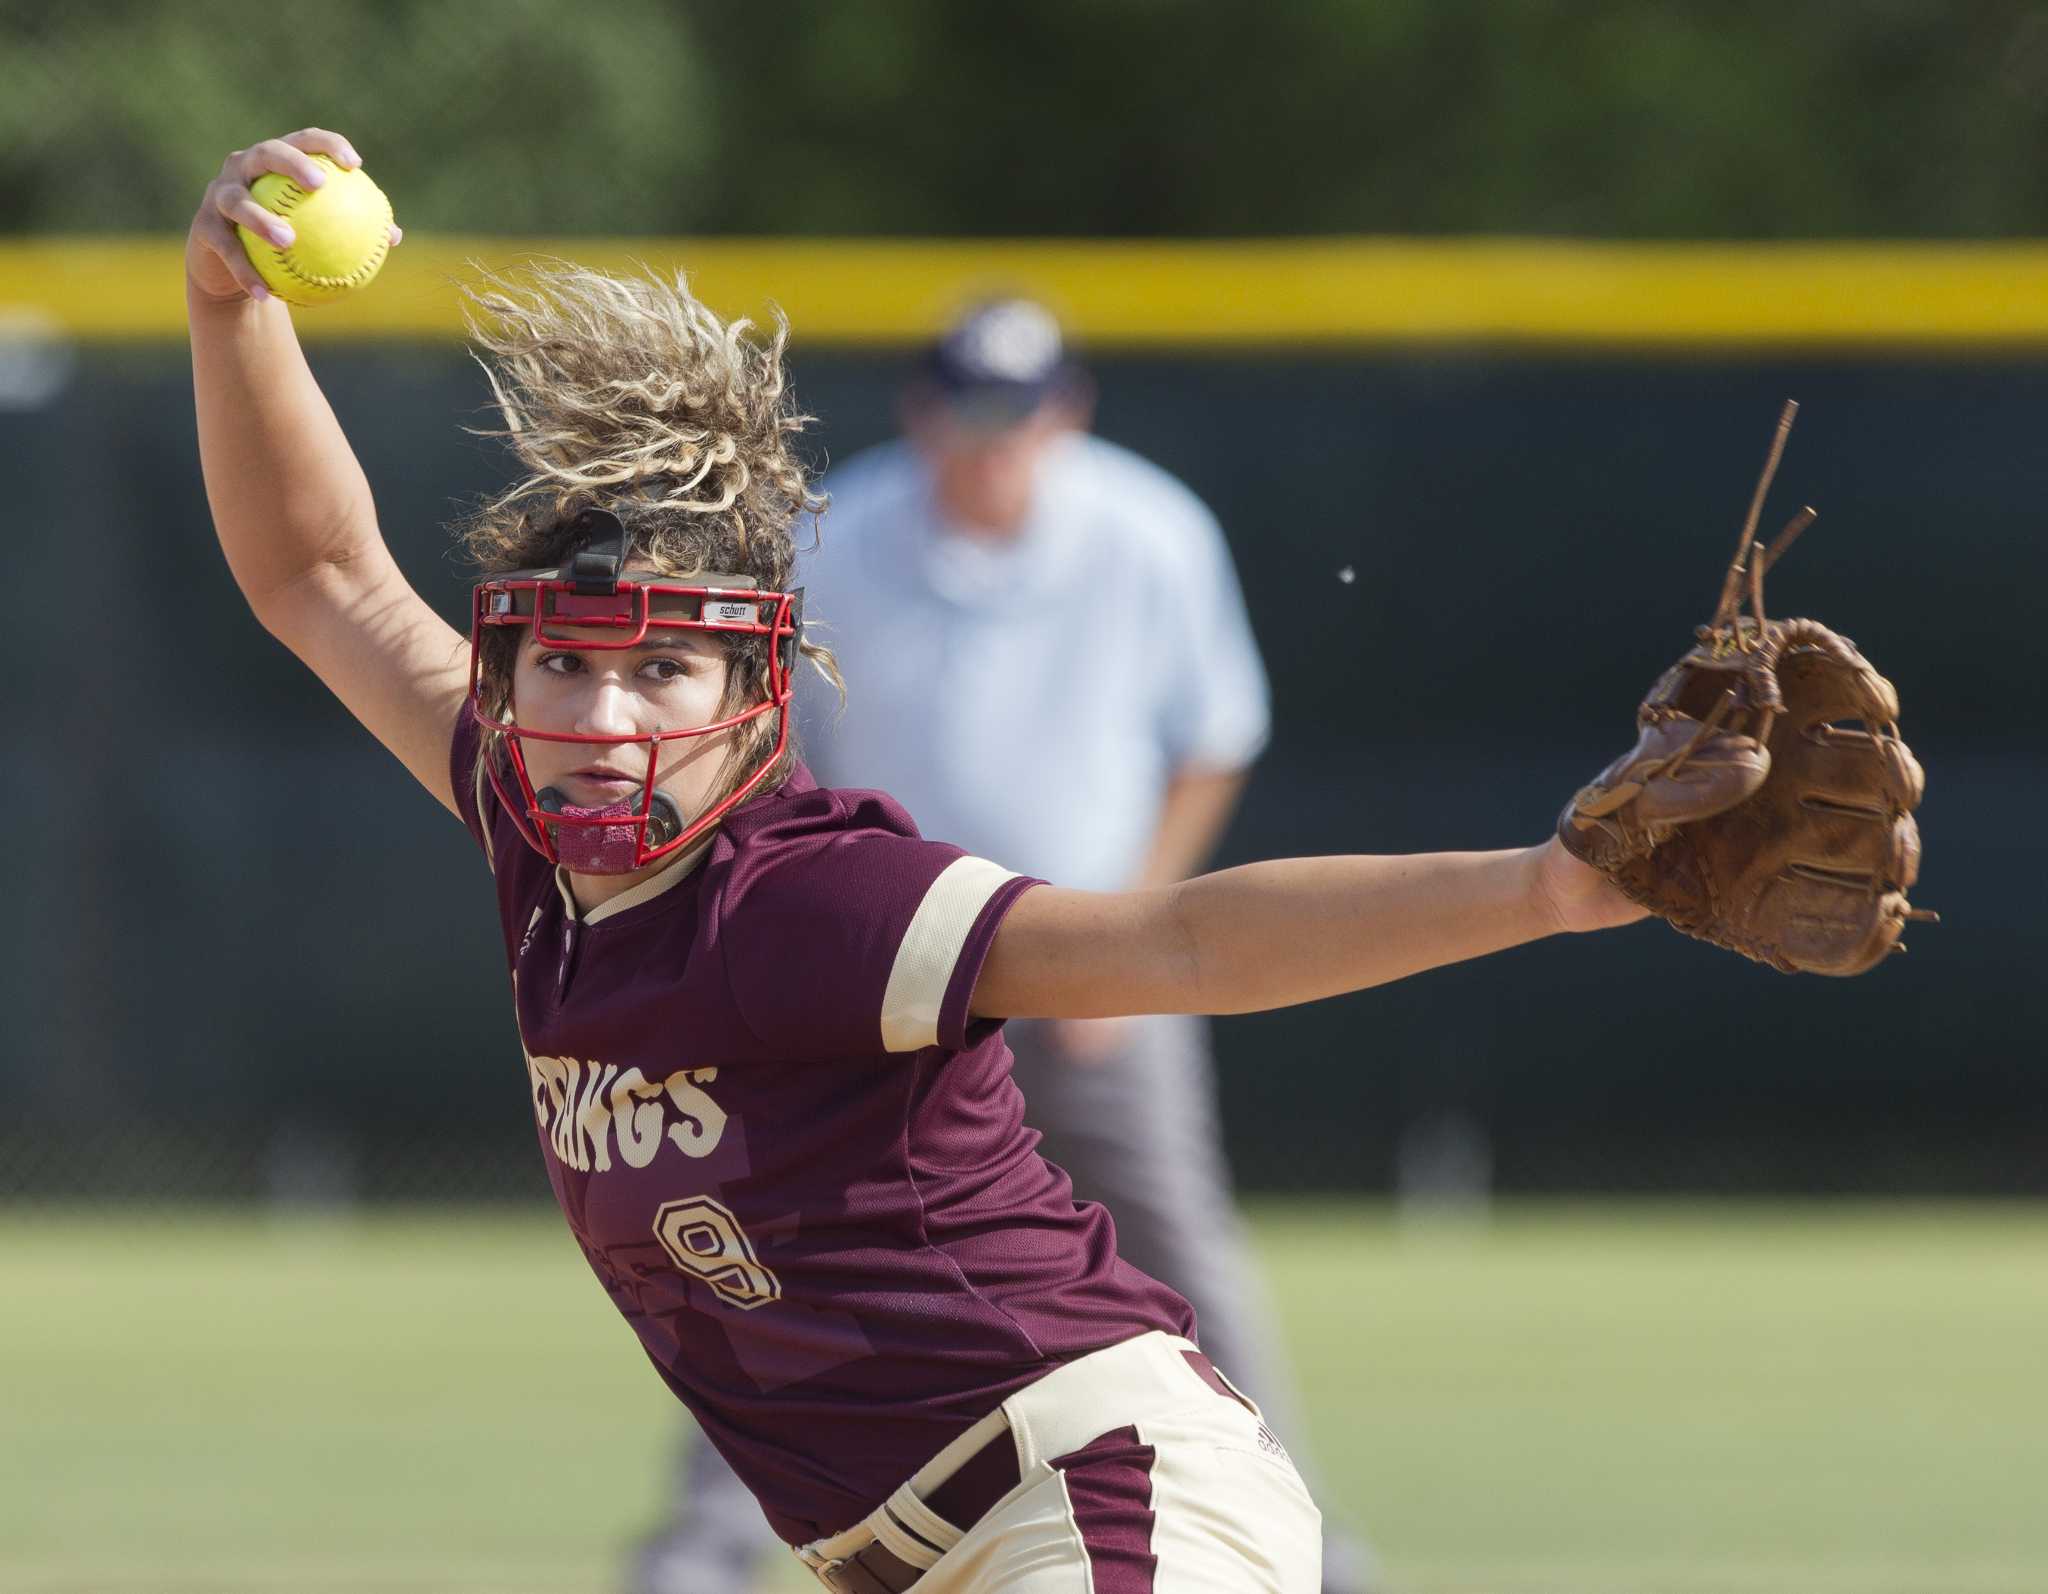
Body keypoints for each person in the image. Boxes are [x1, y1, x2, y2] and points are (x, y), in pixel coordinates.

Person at [188, 130, 1645, 1594]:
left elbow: (1184, 942)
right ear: (509, 679)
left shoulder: (809, 896)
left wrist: (1546, 885)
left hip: (1094, 1493)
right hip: (928, 1554)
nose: (605, 717)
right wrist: (229, 305)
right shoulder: (529, 820)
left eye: (664, 670)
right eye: (564, 665)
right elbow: (317, 574)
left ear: (758, 695)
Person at [635, 298, 1379, 1594]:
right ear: (921, 412)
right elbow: (768, 748)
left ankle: (1311, 1551)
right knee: (782, 1250)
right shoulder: (841, 535)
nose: (993, 446)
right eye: (970, 417)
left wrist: (1137, 944)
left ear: (1067, 413)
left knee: (1181, 1245)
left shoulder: (1148, 530)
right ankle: (700, 1554)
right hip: (881, 970)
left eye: (1019, 418)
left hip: (1088, 953)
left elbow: (1212, 741)